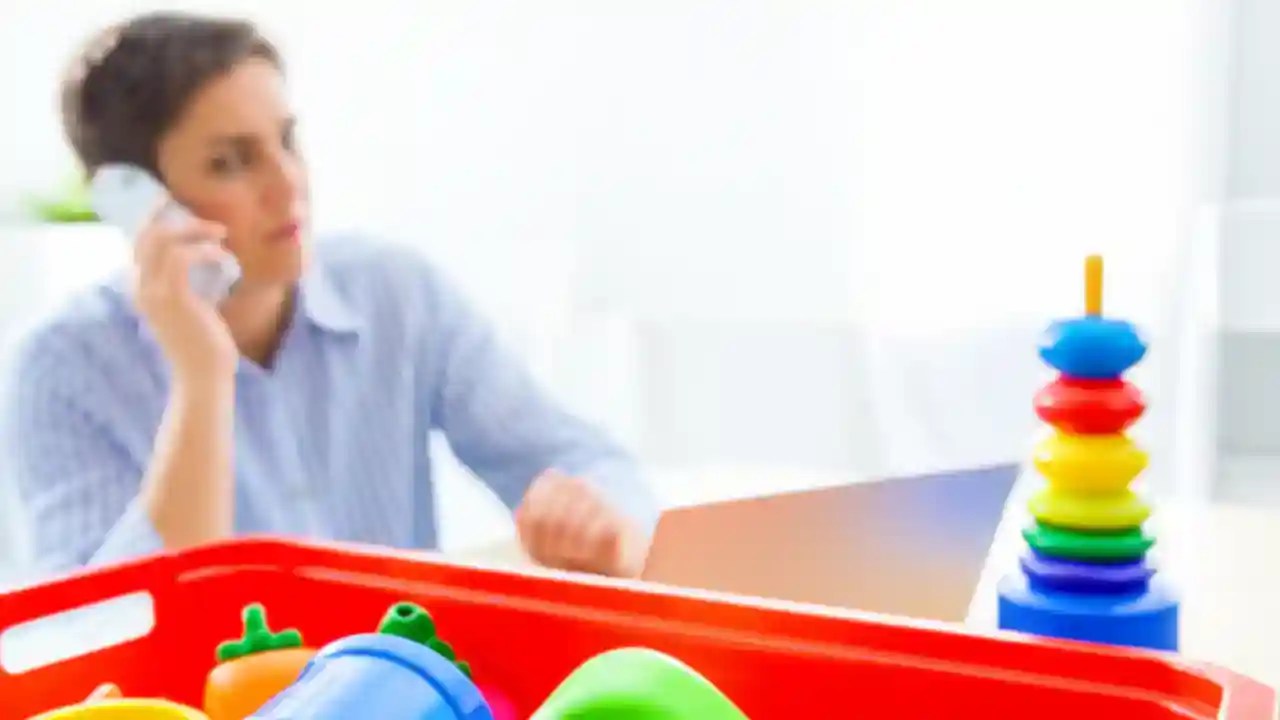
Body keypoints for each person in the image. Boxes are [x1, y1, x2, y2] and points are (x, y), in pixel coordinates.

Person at [0, 12, 659, 578]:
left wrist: (598, 517)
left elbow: (585, 460)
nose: (287, 187)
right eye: (231, 162)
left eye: (286, 141)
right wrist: (203, 380)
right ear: (133, 201)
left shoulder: (396, 294)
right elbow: (97, 634)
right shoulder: (62, 369)